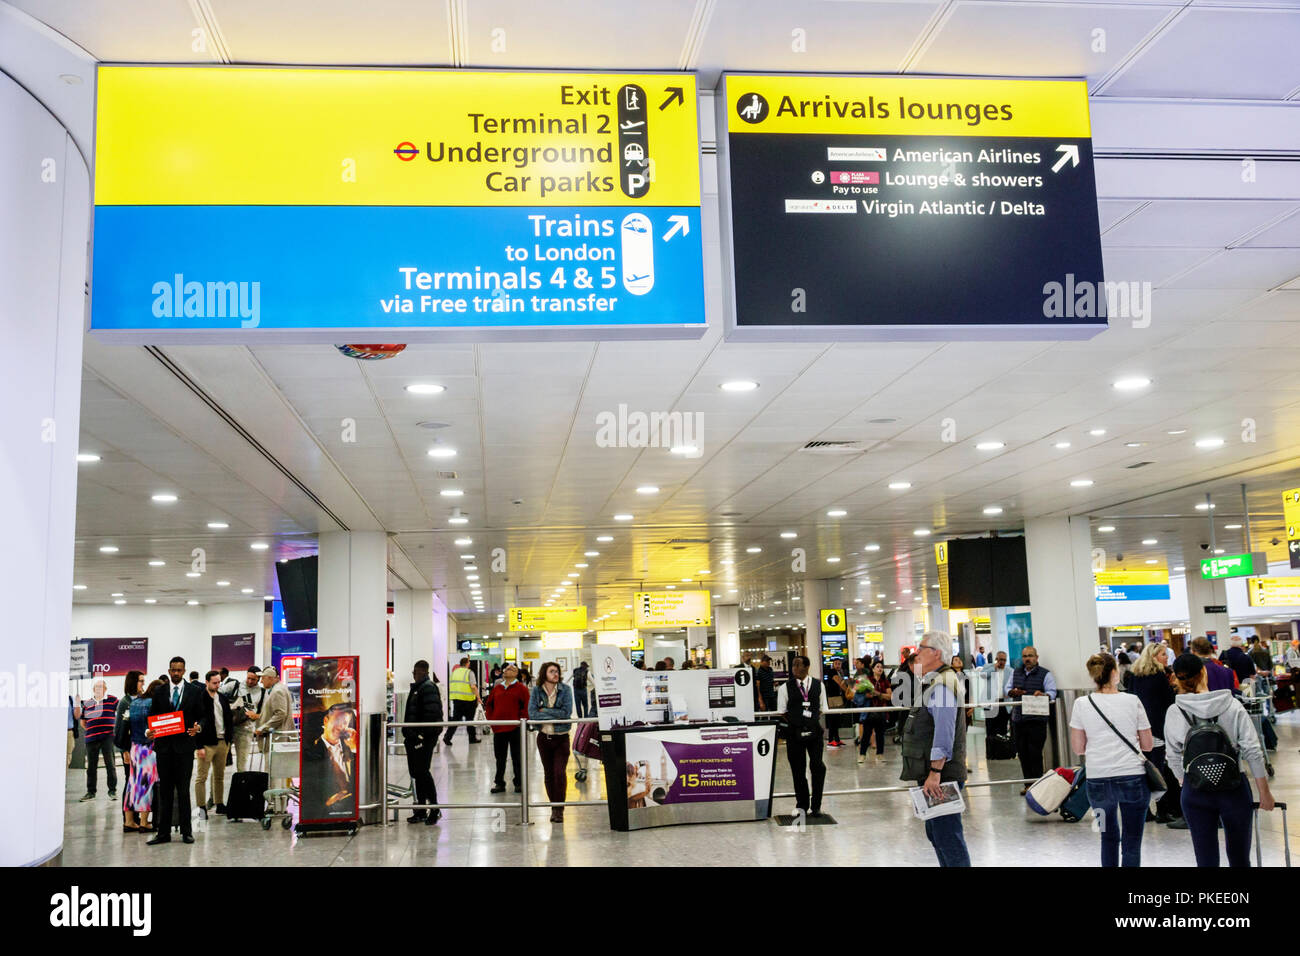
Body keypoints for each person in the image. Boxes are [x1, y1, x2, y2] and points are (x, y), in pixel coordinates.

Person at [1165, 653, 1275, 867]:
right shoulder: (1230, 704)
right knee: (1240, 858)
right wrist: (1264, 792)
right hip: (1233, 789)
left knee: (1205, 860)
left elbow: (1172, 755)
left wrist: (1183, 780)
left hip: (1195, 791)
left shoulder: (1174, 711)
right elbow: (1252, 749)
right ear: (1203, 673)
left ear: (1177, 679)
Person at [1069, 653, 1154, 867]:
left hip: (1098, 783)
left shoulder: (1082, 703)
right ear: (1115, 673)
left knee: (1107, 837)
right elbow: (1148, 745)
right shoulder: (1132, 701)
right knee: (1132, 842)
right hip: (1132, 779)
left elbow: (1078, 748)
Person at [902, 631, 971, 867]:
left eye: (921, 648)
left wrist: (935, 772)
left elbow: (944, 733)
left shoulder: (943, 685)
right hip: (935, 774)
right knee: (938, 835)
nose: (916, 653)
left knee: (948, 837)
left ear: (937, 653)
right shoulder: (935, 680)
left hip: (942, 776)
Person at [146, 656, 206, 845]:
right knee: (165, 791)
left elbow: (203, 716)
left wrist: (199, 728)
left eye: (179, 670)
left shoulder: (195, 691)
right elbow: (152, 716)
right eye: (173, 670)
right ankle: (163, 833)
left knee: (183, 791)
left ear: (184, 671)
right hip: (164, 748)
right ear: (169, 670)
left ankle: (187, 832)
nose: (176, 673)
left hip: (184, 749)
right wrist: (150, 731)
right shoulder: (159, 691)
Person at [1126, 642, 1186, 828]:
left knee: (1144, 770)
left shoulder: (1134, 676)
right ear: (1153, 657)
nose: (1166, 657)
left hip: (1139, 729)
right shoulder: (1159, 676)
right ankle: (1163, 810)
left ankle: (1145, 810)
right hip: (1157, 729)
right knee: (1159, 770)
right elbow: (1168, 702)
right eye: (1162, 654)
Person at [776, 655, 826, 819]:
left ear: (807, 667)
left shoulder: (819, 685)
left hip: (814, 733)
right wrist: (798, 722)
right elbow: (782, 711)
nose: (795, 668)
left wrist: (810, 721)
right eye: (793, 665)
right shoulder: (785, 687)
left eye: (798, 665)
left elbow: (821, 708)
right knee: (798, 770)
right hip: (794, 734)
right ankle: (802, 804)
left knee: (817, 767)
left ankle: (816, 805)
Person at [1005, 646, 1057, 791]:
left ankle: (1037, 786)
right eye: (1025, 656)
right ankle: (1028, 785)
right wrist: (1012, 691)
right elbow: (1007, 689)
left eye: (1030, 656)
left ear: (1036, 657)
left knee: (1035, 753)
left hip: (1037, 720)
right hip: (1018, 720)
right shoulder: (1016, 672)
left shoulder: (1045, 674)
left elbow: (1052, 692)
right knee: (1022, 753)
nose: (1027, 659)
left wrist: (1044, 695)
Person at [529, 661, 574, 824]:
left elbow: (566, 713)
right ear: (544, 674)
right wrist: (554, 714)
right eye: (552, 671)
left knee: (559, 773)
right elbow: (532, 713)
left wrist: (545, 711)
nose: (556, 674)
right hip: (544, 738)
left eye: (557, 671)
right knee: (549, 774)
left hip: (561, 738)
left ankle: (559, 809)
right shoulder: (536, 690)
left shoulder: (566, 690)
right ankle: (553, 807)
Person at [403, 660, 443, 825]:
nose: (414, 674)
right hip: (413, 737)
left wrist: (420, 735)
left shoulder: (427, 687)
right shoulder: (418, 688)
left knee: (422, 772)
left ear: (423, 672)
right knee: (417, 774)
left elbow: (432, 714)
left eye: (416, 672)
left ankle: (434, 809)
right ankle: (420, 809)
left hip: (424, 738)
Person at [124, 678, 163, 834]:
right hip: (149, 748)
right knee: (147, 785)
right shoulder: (154, 704)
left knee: (132, 783)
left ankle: (129, 821)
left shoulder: (134, 703)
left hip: (135, 747)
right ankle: (144, 822)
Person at [194, 670, 234, 816]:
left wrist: (229, 740)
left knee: (219, 775)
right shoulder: (200, 698)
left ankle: (219, 803)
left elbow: (228, 719)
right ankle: (201, 806)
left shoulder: (222, 698)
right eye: (214, 683)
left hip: (223, 742)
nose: (217, 685)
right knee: (202, 776)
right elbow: (196, 723)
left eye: (219, 682)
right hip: (206, 743)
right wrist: (198, 746)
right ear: (207, 682)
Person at [484, 662, 528, 794]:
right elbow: (489, 705)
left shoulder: (521, 688)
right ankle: (499, 783)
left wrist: (521, 722)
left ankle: (519, 783)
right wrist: (492, 721)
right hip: (499, 729)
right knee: (500, 758)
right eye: (506, 669)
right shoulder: (497, 688)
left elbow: (526, 707)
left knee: (517, 757)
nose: (507, 670)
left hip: (516, 728)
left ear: (516, 674)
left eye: (511, 669)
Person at [250, 666, 294, 785]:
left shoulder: (277, 691)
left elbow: (280, 714)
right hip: (279, 740)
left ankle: (274, 801)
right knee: (280, 773)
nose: (261, 681)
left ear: (270, 678)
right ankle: (280, 800)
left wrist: (262, 728)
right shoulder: (280, 688)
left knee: (274, 773)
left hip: (276, 740)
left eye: (263, 678)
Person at [78, 679, 119, 802]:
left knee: (110, 765)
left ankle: (112, 791)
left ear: (105, 689)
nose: (99, 689)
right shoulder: (87, 703)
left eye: (101, 687)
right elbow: (83, 722)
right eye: (97, 687)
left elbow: (122, 712)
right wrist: (92, 729)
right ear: (93, 689)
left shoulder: (113, 700)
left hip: (107, 737)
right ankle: (91, 792)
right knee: (91, 767)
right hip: (91, 738)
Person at [231, 666, 264, 772]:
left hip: (246, 730)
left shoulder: (262, 692)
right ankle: (216, 789)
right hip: (229, 727)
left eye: (253, 679)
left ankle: (241, 787)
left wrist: (256, 716)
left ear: (258, 679)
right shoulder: (236, 686)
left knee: (242, 764)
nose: (249, 681)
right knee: (220, 763)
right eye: (248, 678)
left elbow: (264, 714)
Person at [857, 659, 890, 766]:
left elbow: (890, 696)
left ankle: (880, 754)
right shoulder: (868, 680)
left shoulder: (885, 681)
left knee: (880, 734)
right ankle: (862, 754)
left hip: (881, 711)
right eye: (877, 667)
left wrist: (878, 694)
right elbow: (859, 693)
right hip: (869, 711)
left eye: (881, 667)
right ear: (873, 669)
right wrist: (869, 695)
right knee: (866, 734)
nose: (880, 669)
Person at [444, 657, 480, 744]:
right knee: (470, 720)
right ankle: (472, 739)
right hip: (468, 701)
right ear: (467, 663)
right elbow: (473, 686)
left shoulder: (454, 672)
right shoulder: (469, 672)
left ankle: (447, 737)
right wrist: (478, 697)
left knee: (455, 720)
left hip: (457, 700)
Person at [979, 651, 1011, 741]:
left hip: (1004, 703)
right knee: (990, 729)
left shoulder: (1010, 670)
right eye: (1000, 659)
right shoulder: (988, 667)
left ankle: (1002, 752)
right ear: (996, 659)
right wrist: (994, 667)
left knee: (1003, 729)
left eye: (1004, 660)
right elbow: (982, 675)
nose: (1002, 662)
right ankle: (991, 753)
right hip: (990, 703)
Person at [825, 658, 852, 747]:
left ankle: (837, 739)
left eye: (839, 664)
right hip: (833, 698)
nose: (838, 665)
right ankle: (830, 740)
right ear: (833, 665)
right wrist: (849, 691)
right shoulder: (831, 671)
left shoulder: (841, 672)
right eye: (836, 663)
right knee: (833, 719)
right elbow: (840, 683)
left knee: (837, 719)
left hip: (839, 698)